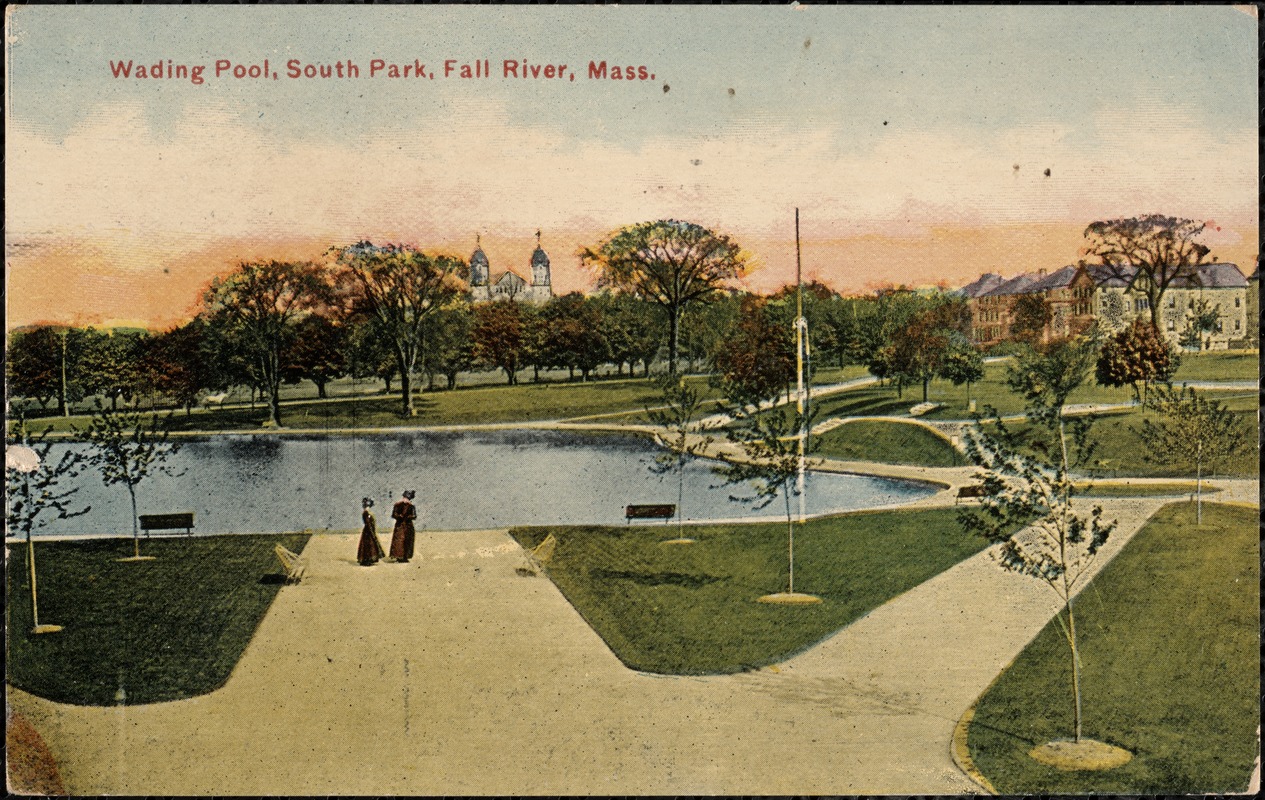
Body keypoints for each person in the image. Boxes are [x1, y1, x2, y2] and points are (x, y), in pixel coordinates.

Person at [389, 489, 417, 563]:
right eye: (405, 497)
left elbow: (414, 516)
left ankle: (405, 557)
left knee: (407, 542)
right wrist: (399, 516)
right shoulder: (397, 505)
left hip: (408, 526)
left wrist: (408, 517)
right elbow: (393, 514)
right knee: (398, 542)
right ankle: (398, 557)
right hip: (399, 526)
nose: (405, 499)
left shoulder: (411, 506)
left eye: (407, 498)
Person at [357, 497, 384, 566]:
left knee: (370, 545)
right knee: (368, 545)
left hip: (368, 530)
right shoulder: (366, 513)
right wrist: (372, 532)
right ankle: (366, 560)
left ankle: (369, 559)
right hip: (368, 531)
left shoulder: (368, 512)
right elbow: (368, 523)